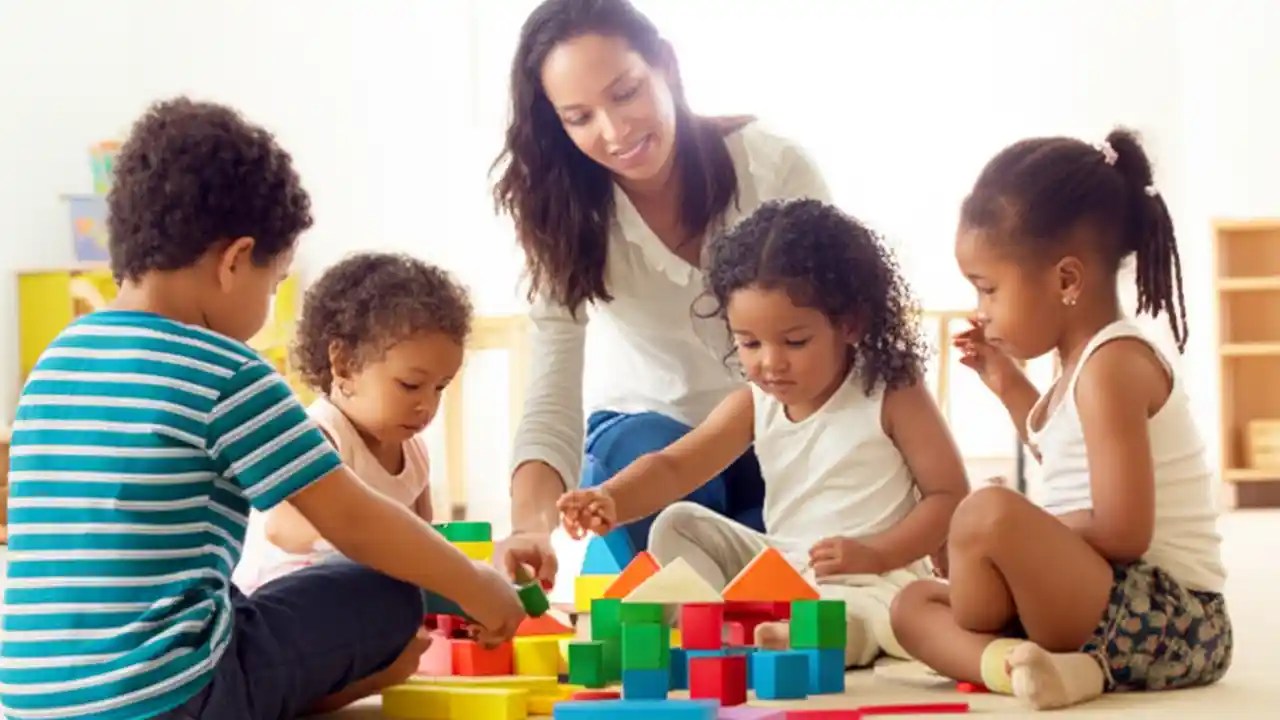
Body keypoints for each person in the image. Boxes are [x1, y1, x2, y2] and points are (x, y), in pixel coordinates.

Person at [0, 98, 524, 720]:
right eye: (274, 285)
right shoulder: (227, 372)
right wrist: (478, 587)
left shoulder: (59, 359)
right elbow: (354, 519)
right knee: (384, 592)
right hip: (177, 697)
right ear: (233, 261)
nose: (270, 304)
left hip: (33, 701)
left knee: (258, 599)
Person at [889, 129, 1232, 710]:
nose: (981, 310)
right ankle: (1022, 668)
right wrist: (1005, 382)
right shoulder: (1079, 364)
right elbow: (1066, 453)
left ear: (1066, 281)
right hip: (1109, 605)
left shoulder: (1113, 366)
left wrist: (1003, 532)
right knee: (910, 605)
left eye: (989, 289)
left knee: (988, 510)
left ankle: (1050, 658)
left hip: (1175, 617)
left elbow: (1125, 531)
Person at [491, 0, 833, 580]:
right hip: (646, 436)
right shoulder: (566, 217)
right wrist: (529, 527)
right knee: (666, 491)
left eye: (625, 93)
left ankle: (733, 565)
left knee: (790, 542)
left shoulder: (774, 169)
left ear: (666, 67)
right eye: (579, 118)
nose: (614, 131)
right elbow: (552, 389)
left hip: (776, 427)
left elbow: (846, 332)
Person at [559, 199, 968, 667]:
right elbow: (674, 468)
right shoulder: (754, 403)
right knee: (680, 523)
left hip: (872, 575)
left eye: (795, 342)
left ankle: (816, 636)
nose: (770, 362)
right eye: (750, 343)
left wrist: (875, 554)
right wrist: (610, 498)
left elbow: (949, 495)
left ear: (850, 323)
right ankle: (713, 614)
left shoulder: (890, 392)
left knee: (872, 613)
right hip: (782, 566)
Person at [235, 252, 470, 593]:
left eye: (440, 387)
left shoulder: (414, 454)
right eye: (410, 385)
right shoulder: (321, 436)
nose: (428, 404)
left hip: (361, 597)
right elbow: (282, 528)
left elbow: (424, 540)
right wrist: (367, 533)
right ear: (344, 365)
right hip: (285, 597)